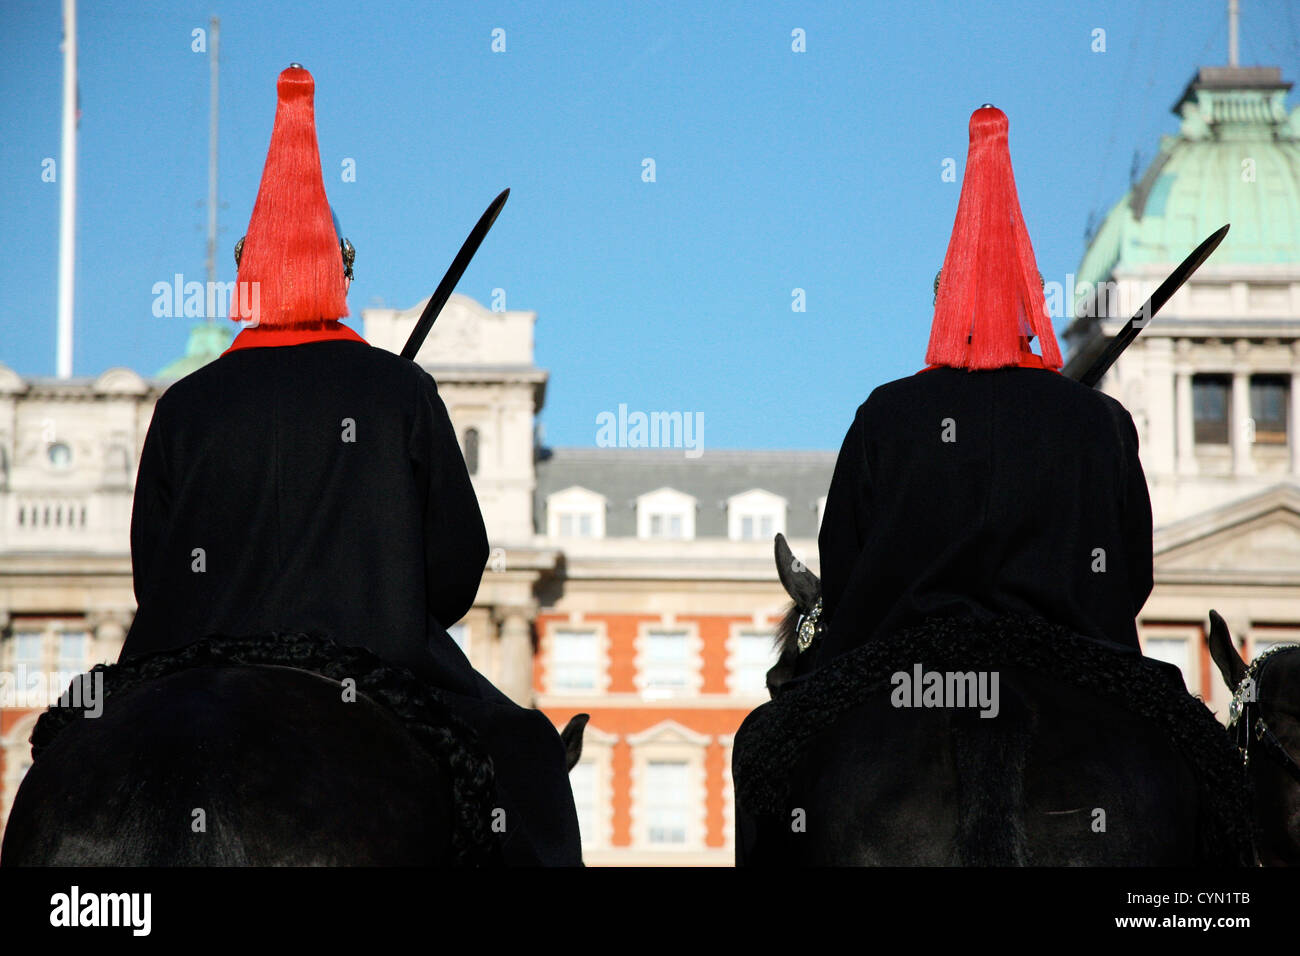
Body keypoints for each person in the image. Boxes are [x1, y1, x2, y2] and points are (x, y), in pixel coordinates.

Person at [120, 63, 580, 865]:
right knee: (529, 751)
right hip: (377, 662)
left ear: (246, 279)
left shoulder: (184, 405)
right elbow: (457, 570)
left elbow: (151, 575)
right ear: (341, 274)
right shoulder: (397, 391)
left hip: (183, 670)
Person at [803, 104, 1154, 676]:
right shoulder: (1100, 421)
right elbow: (1133, 573)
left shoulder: (885, 415)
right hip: (1074, 666)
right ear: (1032, 306)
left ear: (944, 301)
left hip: (908, 670)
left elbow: (844, 566)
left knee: (771, 747)